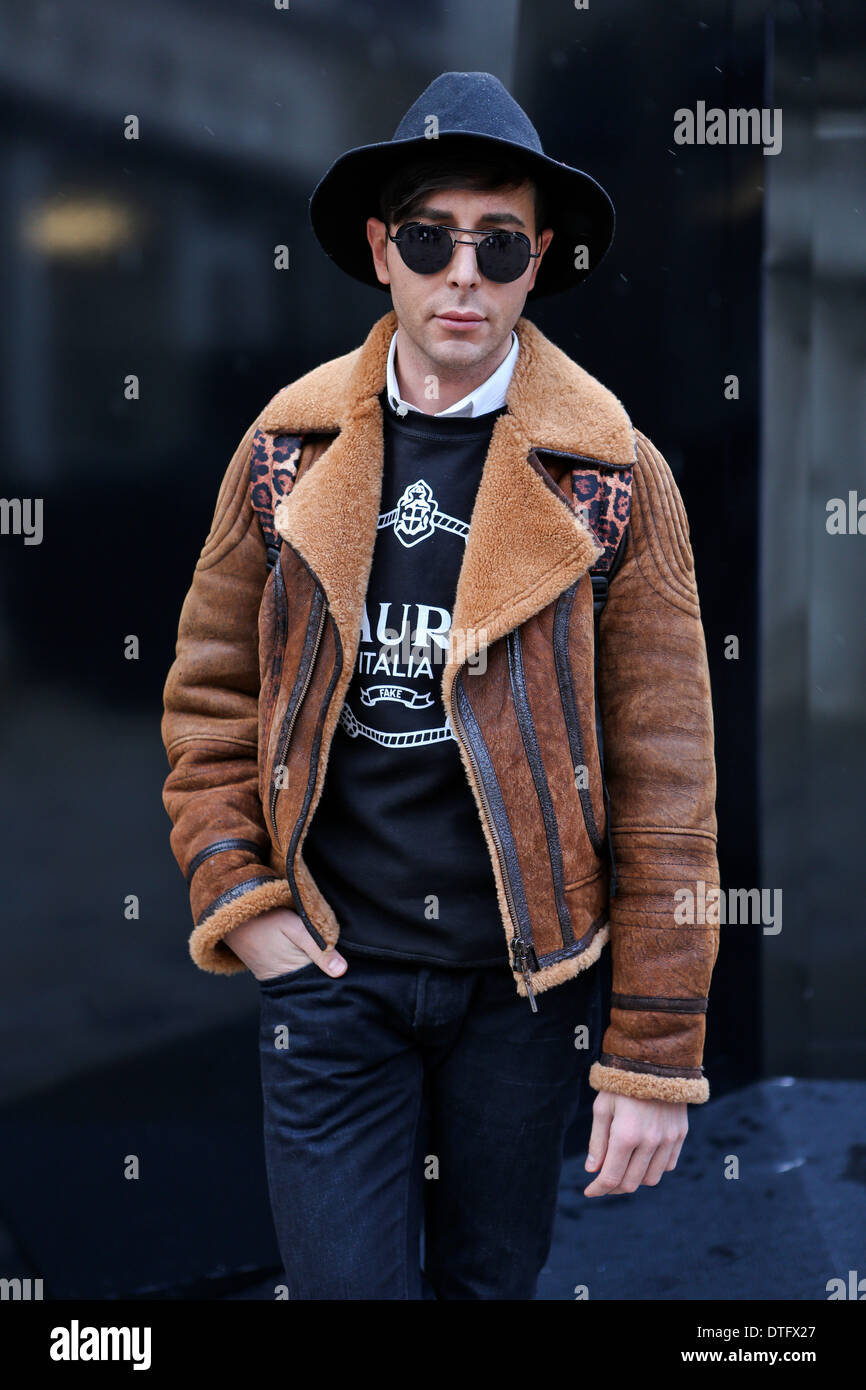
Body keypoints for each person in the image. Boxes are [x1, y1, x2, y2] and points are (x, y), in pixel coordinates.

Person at [160, 71, 721, 1300]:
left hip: (521, 992)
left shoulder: (614, 472)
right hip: (331, 980)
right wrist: (244, 902)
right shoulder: (285, 449)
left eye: (497, 242)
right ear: (382, 252)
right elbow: (210, 699)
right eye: (430, 237)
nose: (461, 271)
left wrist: (651, 1054)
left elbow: (669, 782)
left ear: (537, 260)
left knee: (487, 1284)